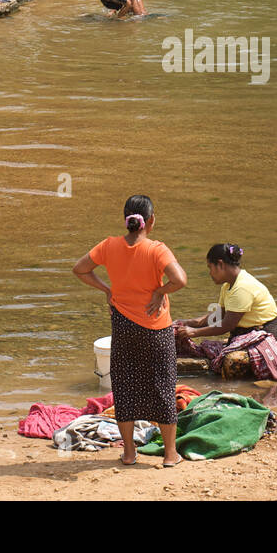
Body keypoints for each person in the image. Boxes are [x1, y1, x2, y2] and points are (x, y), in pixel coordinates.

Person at [72, 194, 187, 467]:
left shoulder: (109, 246)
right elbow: (180, 279)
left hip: (123, 324)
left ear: (127, 221)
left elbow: (80, 269)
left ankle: (128, 453)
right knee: (162, 385)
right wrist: (160, 291)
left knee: (124, 385)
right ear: (151, 221)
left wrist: (106, 289)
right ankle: (170, 455)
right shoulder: (157, 249)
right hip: (155, 327)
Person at [175, 244, 277, 352]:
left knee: (230, 362)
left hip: (266, 341)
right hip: (246, 336)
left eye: (210, 267)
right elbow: (218, 316)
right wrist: (187, 323)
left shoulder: (243, 287)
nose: (210, 273)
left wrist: (194, 332)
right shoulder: (228, 286)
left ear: (220, 264)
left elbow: (226, 325)